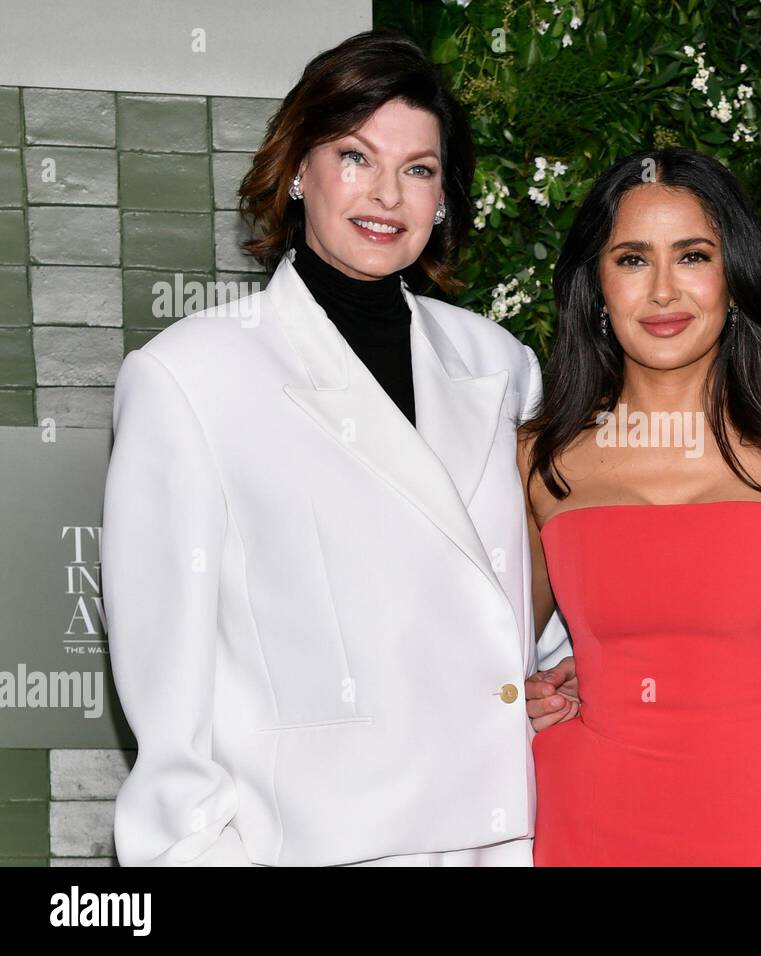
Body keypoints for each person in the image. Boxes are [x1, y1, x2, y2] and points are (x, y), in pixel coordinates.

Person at [101, 30, 569, 866]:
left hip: (502, 836)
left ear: (444, 196)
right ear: (295, 171)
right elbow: (167, 699)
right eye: (355, 156)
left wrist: (550, 684)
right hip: (312, 847)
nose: (387, 193)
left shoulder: (500, 365)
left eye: (419, 169)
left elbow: (538, 602)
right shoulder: (189, 377)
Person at [519, 147, 761, 866]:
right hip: (587, 819)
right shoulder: (544, 459)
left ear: (733, 279)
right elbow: (478, 655)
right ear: (596, 286)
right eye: (632, 260)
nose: (663, 293)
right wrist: (520, 696)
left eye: (692, 256)